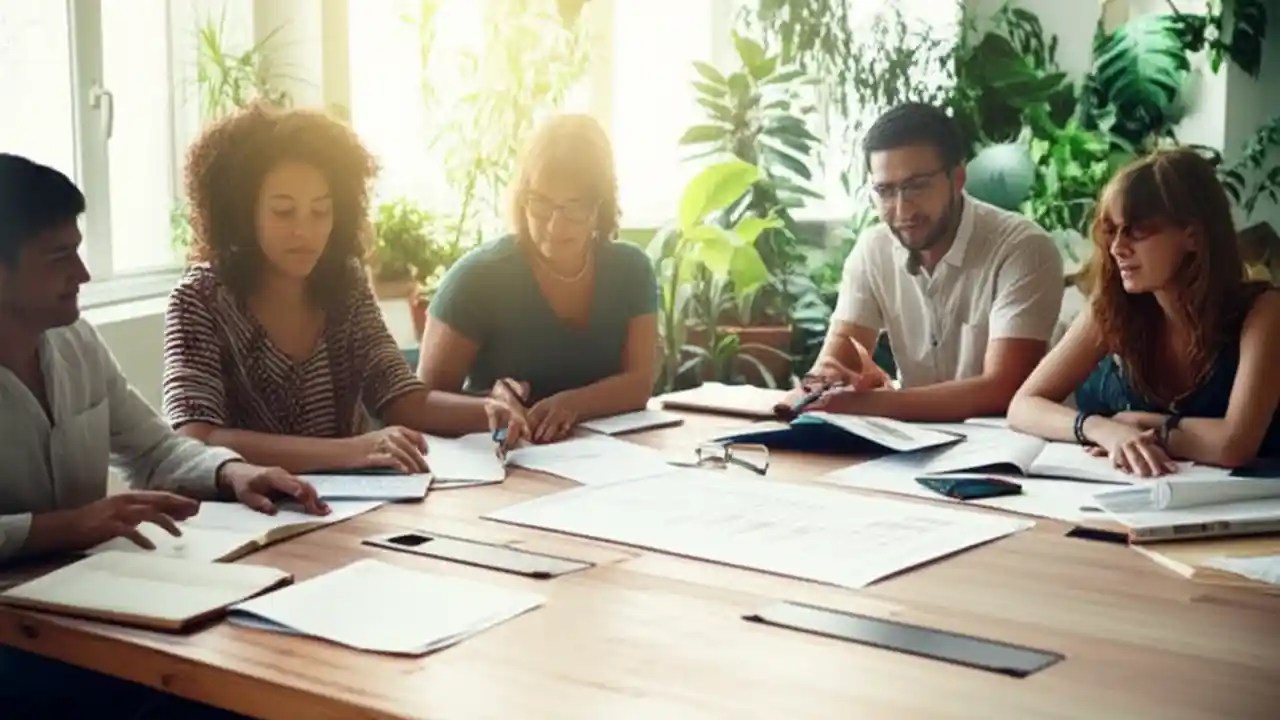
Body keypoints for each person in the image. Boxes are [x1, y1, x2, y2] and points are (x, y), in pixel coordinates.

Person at [0, 154, 319, 716]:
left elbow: (153, 448)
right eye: (59, 257)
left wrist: (232, 472)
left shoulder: (76, 342)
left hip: (94, 605)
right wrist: (64, 527)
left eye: (78, 250)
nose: (83, 274)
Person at [163, 106, 527, 474]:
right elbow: (194, 438)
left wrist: (486, 410)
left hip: (353, 500)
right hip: (248, 506)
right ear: (243, 213)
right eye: (283, 212)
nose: (304, 231)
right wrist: (350, 451)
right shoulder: (198, 299)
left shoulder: (344, 283)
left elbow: (401, 397)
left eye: (321, 212)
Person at [1009, 149, 1280, 475]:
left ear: (1193, 236)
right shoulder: (1113, 307)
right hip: (1128, 495)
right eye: (1112, 231)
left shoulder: (1264, 312)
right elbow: (1023, 406)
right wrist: (1104, 429)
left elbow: (1233, 445)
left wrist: (1140, 422)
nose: (1117, 248)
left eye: (1136, 230)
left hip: (1246, 503)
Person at [793, 102, 1064, 422]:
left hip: (1013, 441)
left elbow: (1004, 388)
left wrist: (867, 402)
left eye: (917, 186)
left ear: (958, 178)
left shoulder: (1022, 248)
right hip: (912, 440)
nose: (902, 210)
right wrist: (826, 381)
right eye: (885, 191)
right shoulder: (874, 249)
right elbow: (837, 362)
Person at [416, 114, 658, 443]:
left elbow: (639, 383)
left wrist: (573, 405)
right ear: (522, 199)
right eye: (541, 204)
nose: (555, 226)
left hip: (609, 456)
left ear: (600, 206)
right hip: (504, 457)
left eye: (575, 207)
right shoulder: (477, 279)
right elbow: (422, 403)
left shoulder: (632, 270)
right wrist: (489, 405)